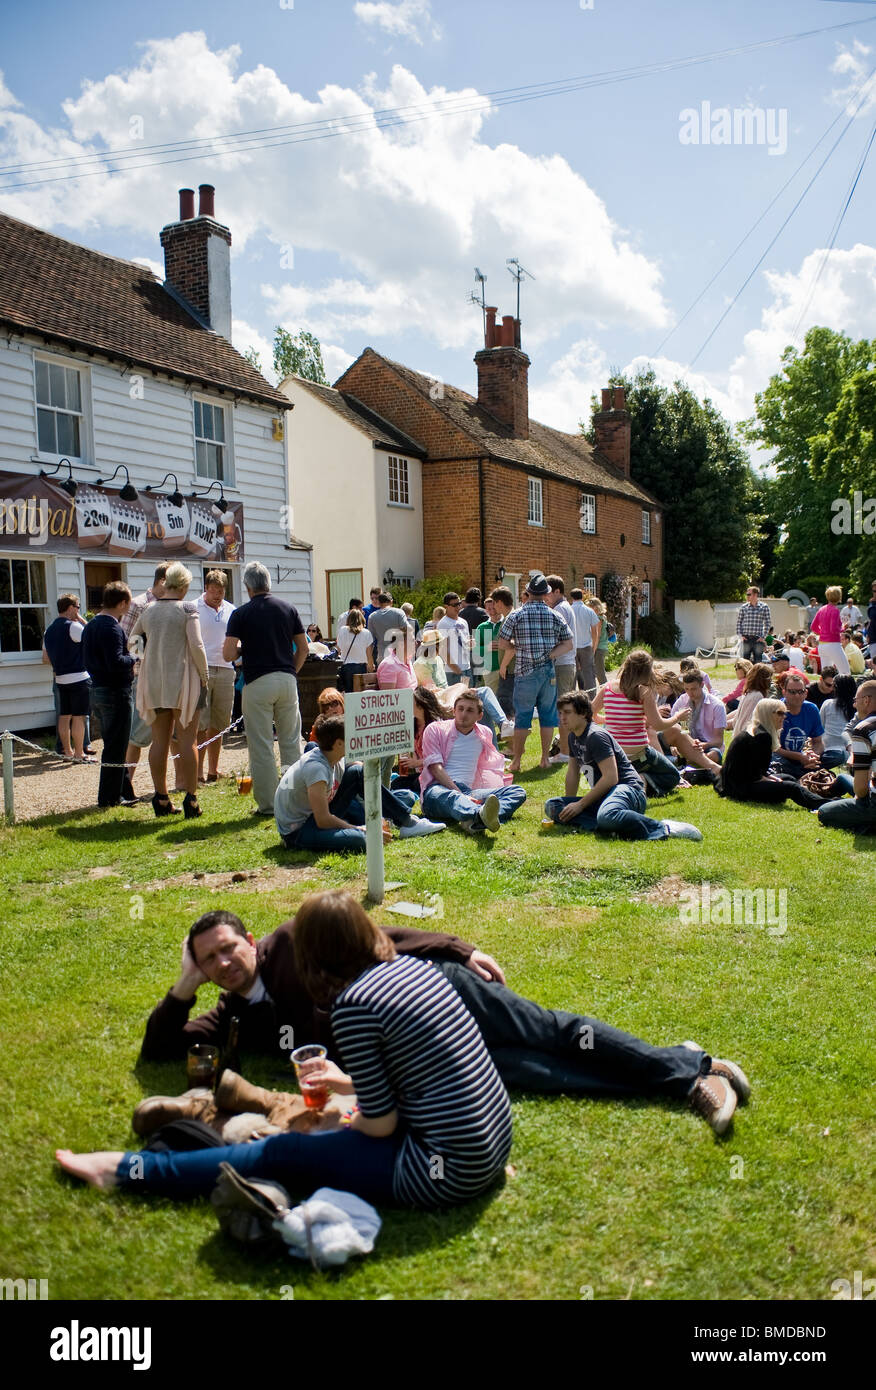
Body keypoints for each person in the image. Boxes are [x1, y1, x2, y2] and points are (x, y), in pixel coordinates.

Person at [57, 891, 513, 1209]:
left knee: (283, 1155)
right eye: (208, 960)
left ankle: (125, 1169)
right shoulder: (418, 971)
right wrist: (345, 1086)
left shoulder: (352, 1006)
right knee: (325, 1120)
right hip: (492, 1147)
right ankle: (233, 1114)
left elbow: (382, 1124)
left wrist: (327, 1133)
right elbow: (415, 1078)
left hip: (448, 1170)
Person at [138, 905, 747, 1132]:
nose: (223, 963)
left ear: (247, 938)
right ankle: (689, 1067)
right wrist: (183, 987)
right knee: (535, 1071)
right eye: (209, 960)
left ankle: (692, 1076)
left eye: (227, 948)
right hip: (423, 1054)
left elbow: (383, 934)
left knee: (554, 1031)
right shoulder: (232, 1015)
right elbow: (165, 1052)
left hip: (440, 989)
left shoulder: (296, 938)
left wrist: (459, 949)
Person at [544, 691, 702, 841]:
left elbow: (611, 778)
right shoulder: (573, 737)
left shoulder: (595, 736)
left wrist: (580, 805)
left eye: (567, 712)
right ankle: (610, 826)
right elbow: (573, 772)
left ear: (583, 714)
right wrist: (569, 805)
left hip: (628, 789)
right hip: (604, 796)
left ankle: (663, 828)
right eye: (560, 713)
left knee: (607, 816)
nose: (562, 718)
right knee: (552, 806)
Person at [275, 716, 444, 850]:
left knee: (358, 772)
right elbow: (323, 820)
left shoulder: (333, 755)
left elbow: (358, 774)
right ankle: (374, 824)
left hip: (317, 815)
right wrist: (360, 829)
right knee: (364, 840)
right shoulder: (316, 769)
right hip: (299, 830)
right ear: (339, 743)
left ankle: (408, 822)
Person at [222, 561, 306, 816]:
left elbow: (227, 654)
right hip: (286, 678)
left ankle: (269, 803)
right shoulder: (288, 608)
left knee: (261, 745)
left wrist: (243, 650)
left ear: (248, 586)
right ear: (268, 583)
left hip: (257, 681)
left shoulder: (241, 614)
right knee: (291, 742)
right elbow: (303, 648)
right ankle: (293, 798)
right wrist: (292, 670)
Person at [130, 562, 208, 819]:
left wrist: (146, 659)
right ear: (184, 585)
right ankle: (191, 799)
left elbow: (132, 641)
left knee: (159, 741)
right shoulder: (187, 607)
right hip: (182, 681)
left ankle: (161, 797)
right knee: (188, 740)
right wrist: (204, 676)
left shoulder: (148, 608)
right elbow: (196, 645)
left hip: (154, 681)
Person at [590, 648, 719, 780]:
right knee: (673, 776)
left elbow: (591, 714)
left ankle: (710, 766)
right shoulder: (645, 692)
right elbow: (657, 725)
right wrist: (677, 717)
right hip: (639, 755)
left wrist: (614, 719)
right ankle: (644, 779)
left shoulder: (608, 688)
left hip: (615, 753)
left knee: (676, 730)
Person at [420, 689, 526, 834]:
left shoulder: (484, 733)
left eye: (470, 710)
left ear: (480, 715)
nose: (463, 714)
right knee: (452, 797)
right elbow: (435, 768)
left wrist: (470, 795)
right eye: (460, 709)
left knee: (517, 791)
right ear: (453, 711)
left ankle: (478, 818)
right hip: (438, 789)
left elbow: (488, 766)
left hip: (470, 791)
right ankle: (479, 814)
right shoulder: (435, 729)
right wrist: (460, 794)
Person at [498, 572, 573, 773]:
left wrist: (517, 646)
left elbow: (503, 642)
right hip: (548, 673)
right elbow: (568, 643)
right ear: (546, 594)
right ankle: (544, 759)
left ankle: (516, 761)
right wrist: (551, 654)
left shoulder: (516, 615)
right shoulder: (555, 614)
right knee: (548, 717)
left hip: (524, 672)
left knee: (522, 717)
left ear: (529, 592)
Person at [81, 581, 137, 807]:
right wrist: (134, 657)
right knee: (115, 747)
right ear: (122, 603)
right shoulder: (112, 628)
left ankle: (127, 792)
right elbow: (116, 662)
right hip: (115, 692)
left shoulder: (91, 626)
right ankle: (109, 798)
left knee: (116, 743)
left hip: (98, 689)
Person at [714, 699, 826, 809]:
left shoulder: (757, 730)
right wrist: (772, 781)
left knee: (789, 778)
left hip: (735, 782)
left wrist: (772, 779)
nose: (784, 717)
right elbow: (755, 775)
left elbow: (758, 769)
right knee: (790, 787)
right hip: (738, 788)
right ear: (767, 714)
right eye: (780, 713)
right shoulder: (761, 736)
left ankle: (817, 797)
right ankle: (823, 804)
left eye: (784, 713)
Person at [121, 564, 168, 776]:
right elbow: (128, 639)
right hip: (144, 677)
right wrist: (145, 662)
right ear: (162, 581)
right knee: (137, 735)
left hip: (168, 678)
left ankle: (177, 784)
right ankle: (127, 783)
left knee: (169, 734)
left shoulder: (172, 605)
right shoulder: (139, 604)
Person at [817, 680, 876, 832]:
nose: (854, 705)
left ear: (866, 700)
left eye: (856, 701)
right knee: (843, 778)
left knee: (824, 812)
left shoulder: (863, 729)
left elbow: (861, 790)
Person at [196, 571, 236, 784]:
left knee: (219, 722)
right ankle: (198, 770)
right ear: (206, 588)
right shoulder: (194, 607)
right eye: (212, 591)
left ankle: (213, 769)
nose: (216, 595)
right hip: (202, 669)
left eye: (220, 592)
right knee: (201, 722)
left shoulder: (232, 610)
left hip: (226, 668)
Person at [42, 594, 92, 761]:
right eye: (77, 608)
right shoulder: (73, 627)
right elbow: (93, 634)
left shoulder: (48, 630)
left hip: (61, 678)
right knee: (79, 717)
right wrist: (80, 619)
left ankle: (67, 752)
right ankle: (79, 753)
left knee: (64, 716)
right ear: (70, 608)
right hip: (78, 677)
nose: (78, 611)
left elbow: (46, 657)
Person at [544, 575, 578, 762]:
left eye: (548, 591)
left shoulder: (560, 609)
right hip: (566, 663)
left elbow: (559, 639)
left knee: (562, 710)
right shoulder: (563, 607)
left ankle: (565, 752)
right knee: (564, 708)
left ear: (557, 591)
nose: (545, 596)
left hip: (562, 664)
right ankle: (565, 748)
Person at [768, 674, 825, 780]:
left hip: (800, 757)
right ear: (784, 692)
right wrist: (800, 757)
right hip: (779, 756)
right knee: (776, 761)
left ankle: (800, 773)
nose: (797, 696)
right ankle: (799, 775)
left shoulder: (812, 709)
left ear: (806, 693)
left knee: (835, 756)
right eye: (792, 692)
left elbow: (818, 742)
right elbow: (775, 748)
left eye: (801, 692)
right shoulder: (776, 710)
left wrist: (812, 756)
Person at [669, 670, 727, 764]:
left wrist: (703, 745)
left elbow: (718, 740)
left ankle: (689, 760)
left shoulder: (716, 705)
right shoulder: (683, 700)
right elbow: (673, 726)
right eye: (687, 689)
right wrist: (674, 745)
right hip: (687, 741)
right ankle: (693, 760)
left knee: (714, 755)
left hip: (708, 745)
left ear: (702, 685)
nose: (690, 693)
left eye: (693, 689)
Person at [818, 674, 857, 768]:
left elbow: (820, 727)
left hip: (831, 750)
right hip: (851, 751)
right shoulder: (857, 708)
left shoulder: (827, 704)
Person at [809, 587, 850, 676]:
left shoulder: (821, 609)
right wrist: (843, 628)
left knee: (826, 676)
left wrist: (822, 633)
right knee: (846, 673)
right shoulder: (835, 610)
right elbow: (834, 629)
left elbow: (813, 627)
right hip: (833, 645)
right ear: (839, 597)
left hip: (822, 645)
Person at [727, 662, 772, 740]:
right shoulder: (758, 696)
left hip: (738, 735)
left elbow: (738, 715)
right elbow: (751, 719)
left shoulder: (748, 693)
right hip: (746, 737)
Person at [367, 591, 413, 665]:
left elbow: (370, 641)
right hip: (399, 656)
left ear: (379, 603)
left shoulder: (372, 617)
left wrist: (370, 661)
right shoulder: (399, 612)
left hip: (382, 657)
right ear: (391, 601)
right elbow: (408, 630)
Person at [570, 587, 600, 696]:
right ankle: (591, 698)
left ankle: (571, 697)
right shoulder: (589, 611)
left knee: (572, 674)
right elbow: (595, 631)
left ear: (572, 597)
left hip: (571, 646)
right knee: (589, 675)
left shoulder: (569, 609)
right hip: (586, 646)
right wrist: (594, 647)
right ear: (582, 596)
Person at [436, 592, 473, 684]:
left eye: (459, 604)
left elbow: (466, 643)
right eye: (454, 605)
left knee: (468, 696)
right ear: (446, 606)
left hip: (466, 667)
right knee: (456, 697)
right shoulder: (443, 623)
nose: (458, 607)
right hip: (453, 671)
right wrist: (455, 668)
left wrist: (470, 643)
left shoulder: (463, 622)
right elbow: (442, 649)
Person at [336, 608, 374, 693]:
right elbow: (369, 655)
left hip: (346, 667)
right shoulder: (366, 633)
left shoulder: (342, 630)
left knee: (348, 694)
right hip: (361, 668)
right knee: (359, 696)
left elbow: (338, 649)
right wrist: (371, 668)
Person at [736, 585, 772, 663]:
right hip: (746, 638)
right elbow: (739, 622)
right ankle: (746, 675)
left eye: (749, 594)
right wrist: (740, 635)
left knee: (758, 661)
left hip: (758, 639)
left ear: (755, 595)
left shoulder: (764, 607)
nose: (747, 596)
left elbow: (768, 623)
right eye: (747, 594)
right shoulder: (743, 607)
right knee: (745, 662)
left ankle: (757, 675)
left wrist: (763, 637)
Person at [587, 596, 609, 685]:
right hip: (602, 647)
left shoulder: (599, 618)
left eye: (589, 607)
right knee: (599, 672)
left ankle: (606, 692)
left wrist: (593, 650)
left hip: (599, 648)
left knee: (600, 673)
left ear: (595, 607)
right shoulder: (603, 617)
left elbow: (598, 635)